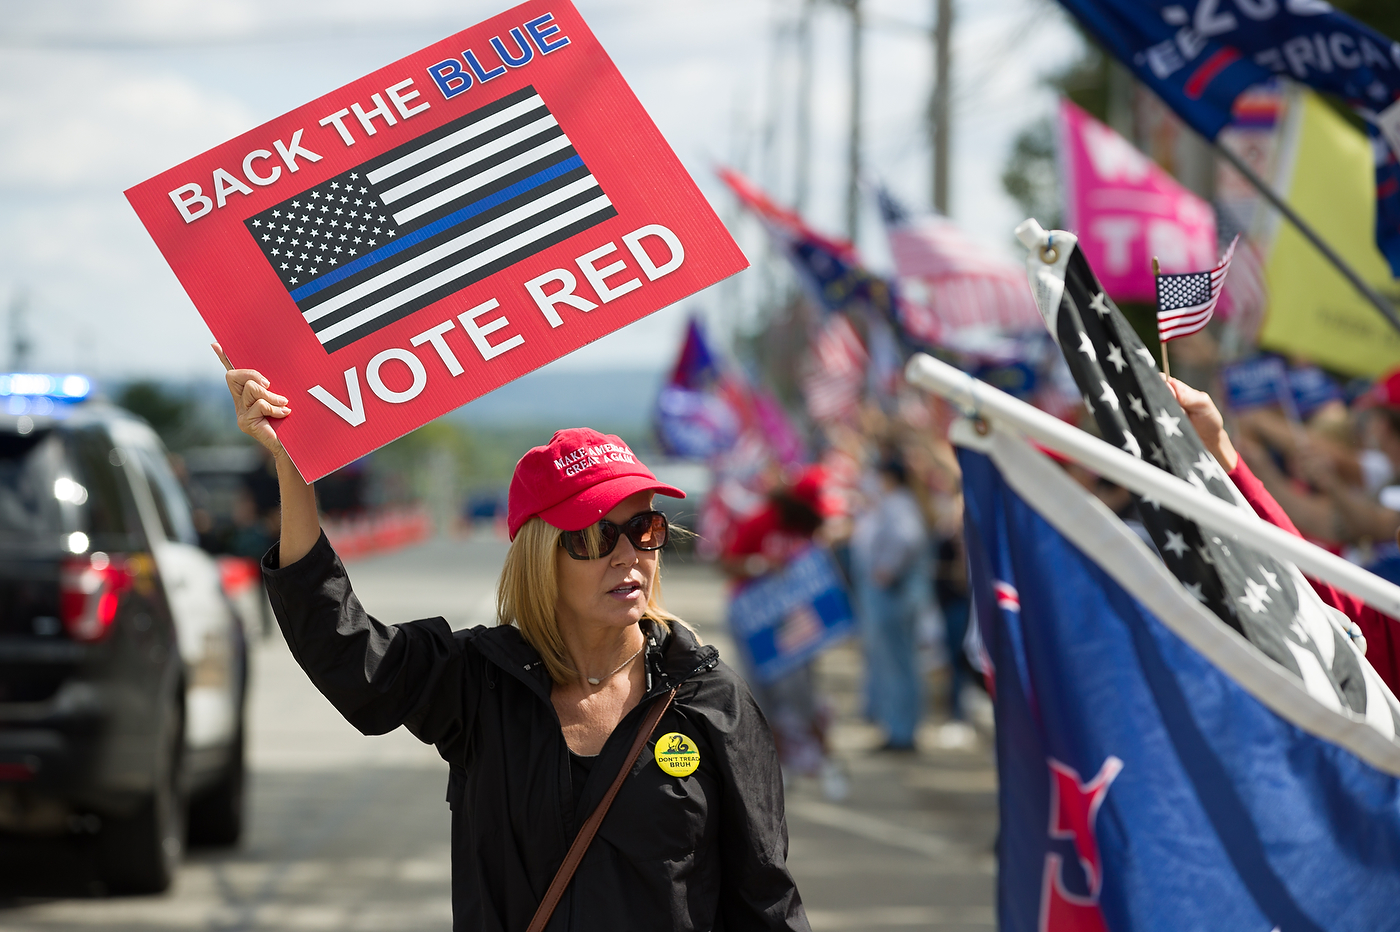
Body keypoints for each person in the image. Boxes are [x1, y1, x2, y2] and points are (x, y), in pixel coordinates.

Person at [213, 345, 809, 932]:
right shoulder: (479, 682)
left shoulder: (713, 702)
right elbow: (345, 650)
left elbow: (766, 905)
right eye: (598, 536)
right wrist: (294, 464)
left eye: (644, 528)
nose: (629, 555)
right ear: (542, 557)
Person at [1167, 375, 1400, 695]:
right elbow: (1298, 556)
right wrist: (1222, 451)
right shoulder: (1384, 618)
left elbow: (1347, 527)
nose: (1376, 432)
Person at [720, 467, 847, 799]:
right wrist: (761, 565)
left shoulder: (807, 527)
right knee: (762, 698)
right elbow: (726, 561)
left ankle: (828, 762)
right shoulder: (760, 519)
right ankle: (779, 766)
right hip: (756, 622)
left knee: (802, 694)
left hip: (795, 623)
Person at [850, 455, 930, 751]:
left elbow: (907, 539)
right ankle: (897, 728)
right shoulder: (894, 502)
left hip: (894, 596)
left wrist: (887, 569)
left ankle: (902, 732)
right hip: (890, 595)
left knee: (898, 665)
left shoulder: (899, 503)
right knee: (894, 664)